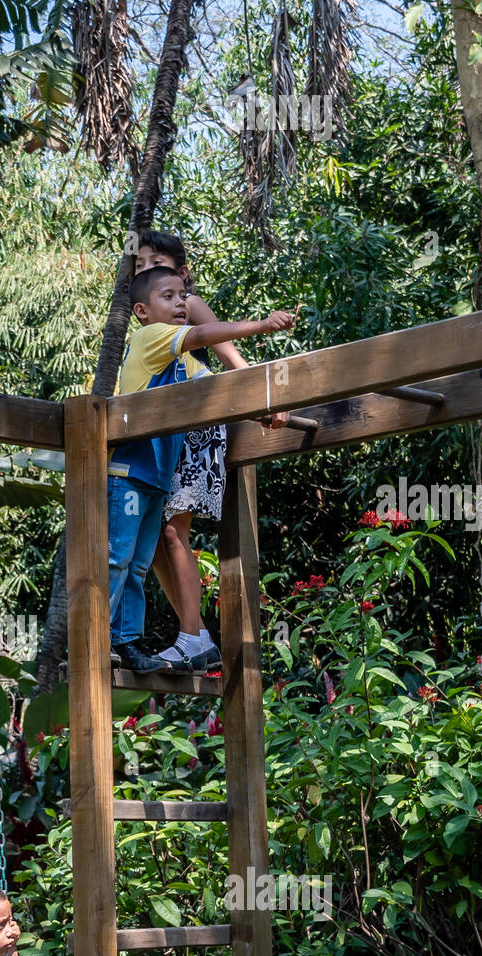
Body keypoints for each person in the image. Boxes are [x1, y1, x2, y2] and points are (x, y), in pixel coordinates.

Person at [111, 263, 296, 672]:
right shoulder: (151, 337)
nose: (182, 303)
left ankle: (164, 636)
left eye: (183, 295)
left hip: (172, 462)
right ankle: (144, 636)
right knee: (138, 550)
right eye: (170, 297)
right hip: (146, 465)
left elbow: (219, 386)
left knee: (155, 547)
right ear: (141, 310)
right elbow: (201, 337)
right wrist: (261, 325)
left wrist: (262, 406)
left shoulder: (178, 359)